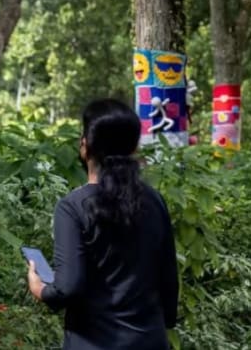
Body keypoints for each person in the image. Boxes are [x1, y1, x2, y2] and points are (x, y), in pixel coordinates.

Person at [26, 98, 179, 350]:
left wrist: (39, 287)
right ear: (134, 147)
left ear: (85, 145)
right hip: (149, 340)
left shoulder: (73, 207)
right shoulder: (154, 200)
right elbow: (168, 278)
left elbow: (68, 288)